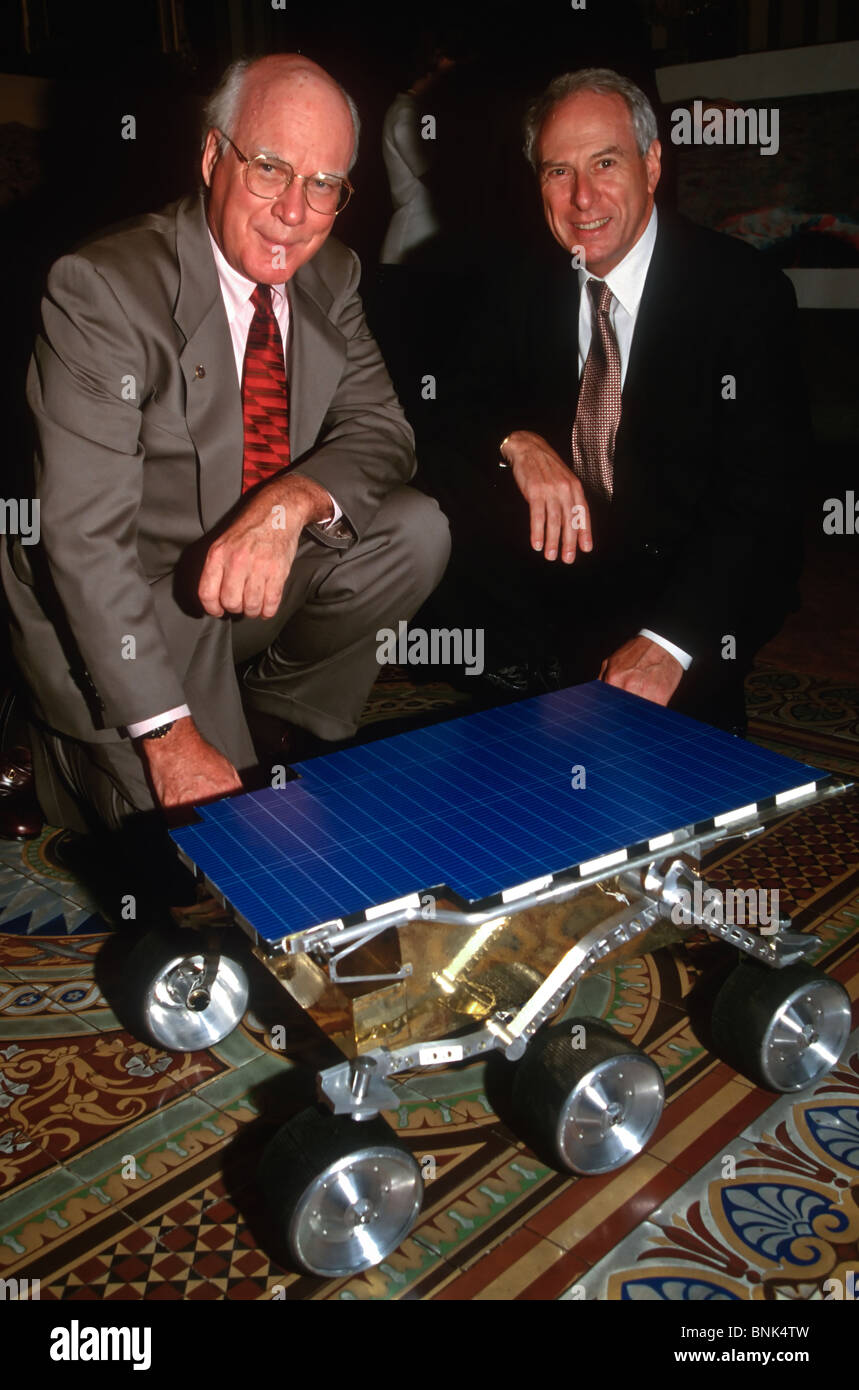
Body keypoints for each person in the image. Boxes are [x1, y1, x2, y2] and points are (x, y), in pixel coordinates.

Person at [1, 54, 450, 844]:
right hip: (132, 601)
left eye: (325, 185)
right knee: (217, 862)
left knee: (414, 530)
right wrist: (170, 740)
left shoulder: (332, 275)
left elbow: (383, 431)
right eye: (271, 168)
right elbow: (81, 541)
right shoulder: (101, 288)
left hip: (248, 579)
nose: (293, 212)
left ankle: (272, 715)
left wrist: (290, 504)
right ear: (213, 157)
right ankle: (60, 755)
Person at [428, 67, 805, 731]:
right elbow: (448, 401)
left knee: (665, 782)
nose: (581, 197)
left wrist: (668, 646)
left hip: (685, 593)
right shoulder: (514, 280)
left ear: (652, 163)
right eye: (556, 172)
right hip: (549, 584)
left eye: (604, 162)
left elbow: (761, 505)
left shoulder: (743, 294)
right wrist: (520, 444)